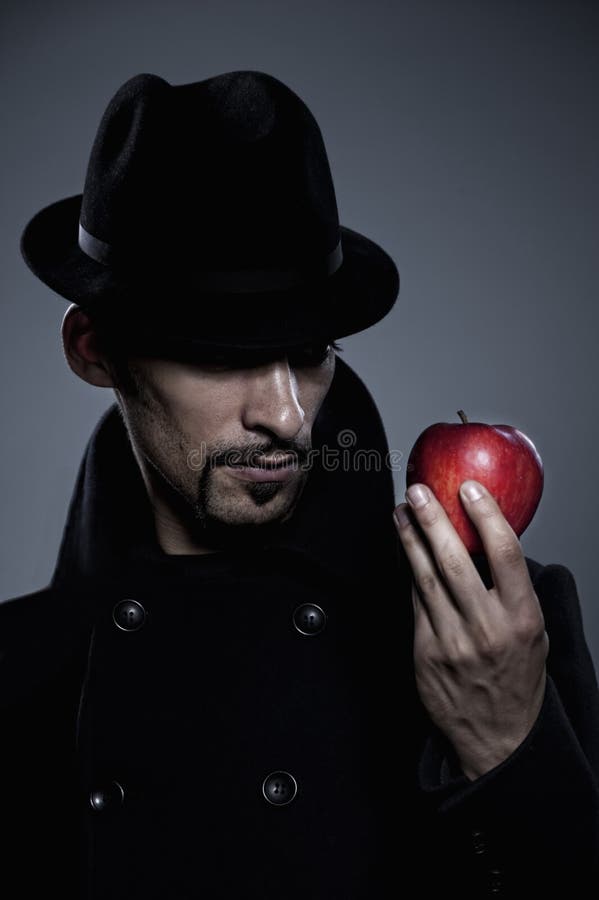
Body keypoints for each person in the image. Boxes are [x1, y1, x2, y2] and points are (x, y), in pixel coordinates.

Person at [2, 69, 598, 899]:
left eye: (312, 351)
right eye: (222, 353)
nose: (286, 414)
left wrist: (506, 748)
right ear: (94, 349)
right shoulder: (21, 672)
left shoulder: (501, 636)